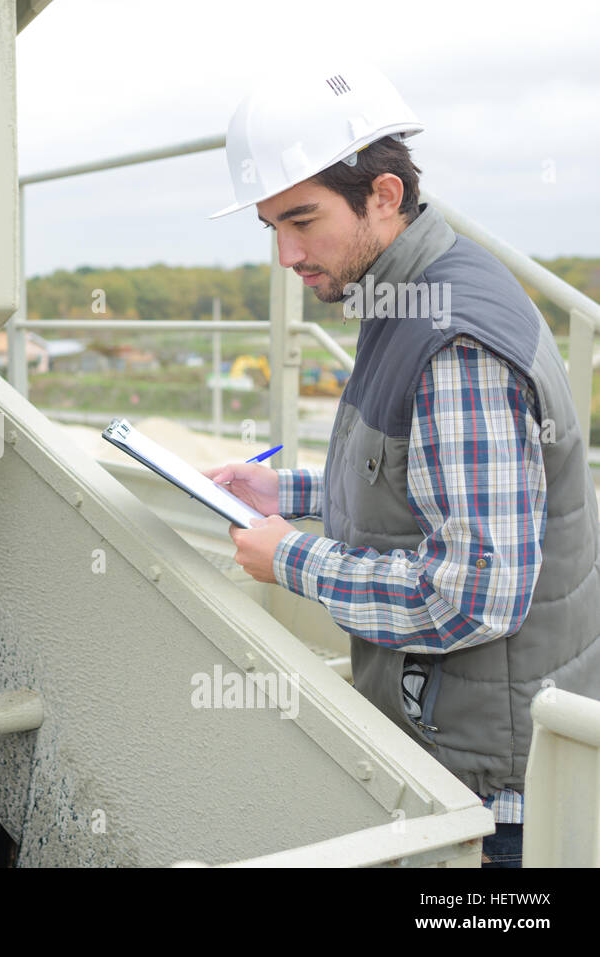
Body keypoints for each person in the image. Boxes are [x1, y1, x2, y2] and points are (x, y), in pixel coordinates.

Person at [202, 62, 600, 868]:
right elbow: (421, 478)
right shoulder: (404, 289)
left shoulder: (454, 339)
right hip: (463, 751)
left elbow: (473, 596)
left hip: (493, 801)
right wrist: (293, 491)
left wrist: (293, 558)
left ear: (384, 195)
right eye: (270, 226)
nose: (285, 254)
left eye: (303, 221)